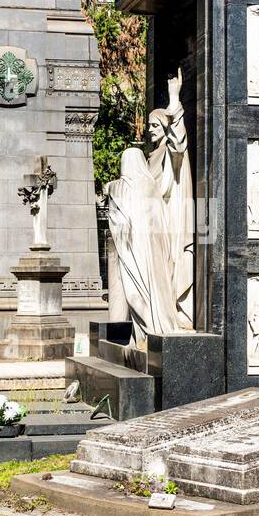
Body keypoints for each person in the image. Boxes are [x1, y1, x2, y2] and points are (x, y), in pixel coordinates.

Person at [105, 148, 179, 344]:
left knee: (134, 293)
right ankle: (144, 336)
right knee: (138, 294)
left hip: (139, 252)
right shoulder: (144, 187)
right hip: (144, 253)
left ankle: (148, 334)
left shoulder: (129, 187)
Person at [145, 71, 195, 329]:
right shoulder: (152, 156)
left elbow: (179, 142)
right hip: (156, 223)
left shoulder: (171, 152)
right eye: (150, 126)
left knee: (172, 265)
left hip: (171, 219)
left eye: (155, 125)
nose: (150, 130)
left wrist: (174, 99)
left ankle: (177, 312)